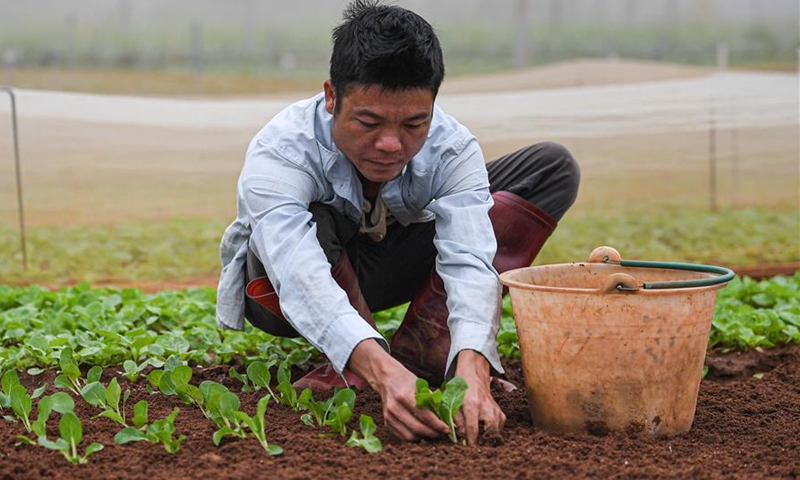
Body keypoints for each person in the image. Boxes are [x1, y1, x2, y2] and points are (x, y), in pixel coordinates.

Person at [216, 0, 579, 446]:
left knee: (550, 166)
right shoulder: (281, 152)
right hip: (278, 291)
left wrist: (474, 363)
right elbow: (296, 270)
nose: (390, 144)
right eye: (368, 121)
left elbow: (469, 258)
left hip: (386, 265)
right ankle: (357, 361)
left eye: (414, 123)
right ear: (332, 97)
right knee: (309, 216)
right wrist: (383, 373)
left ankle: (427, 354)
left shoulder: (451, 147)